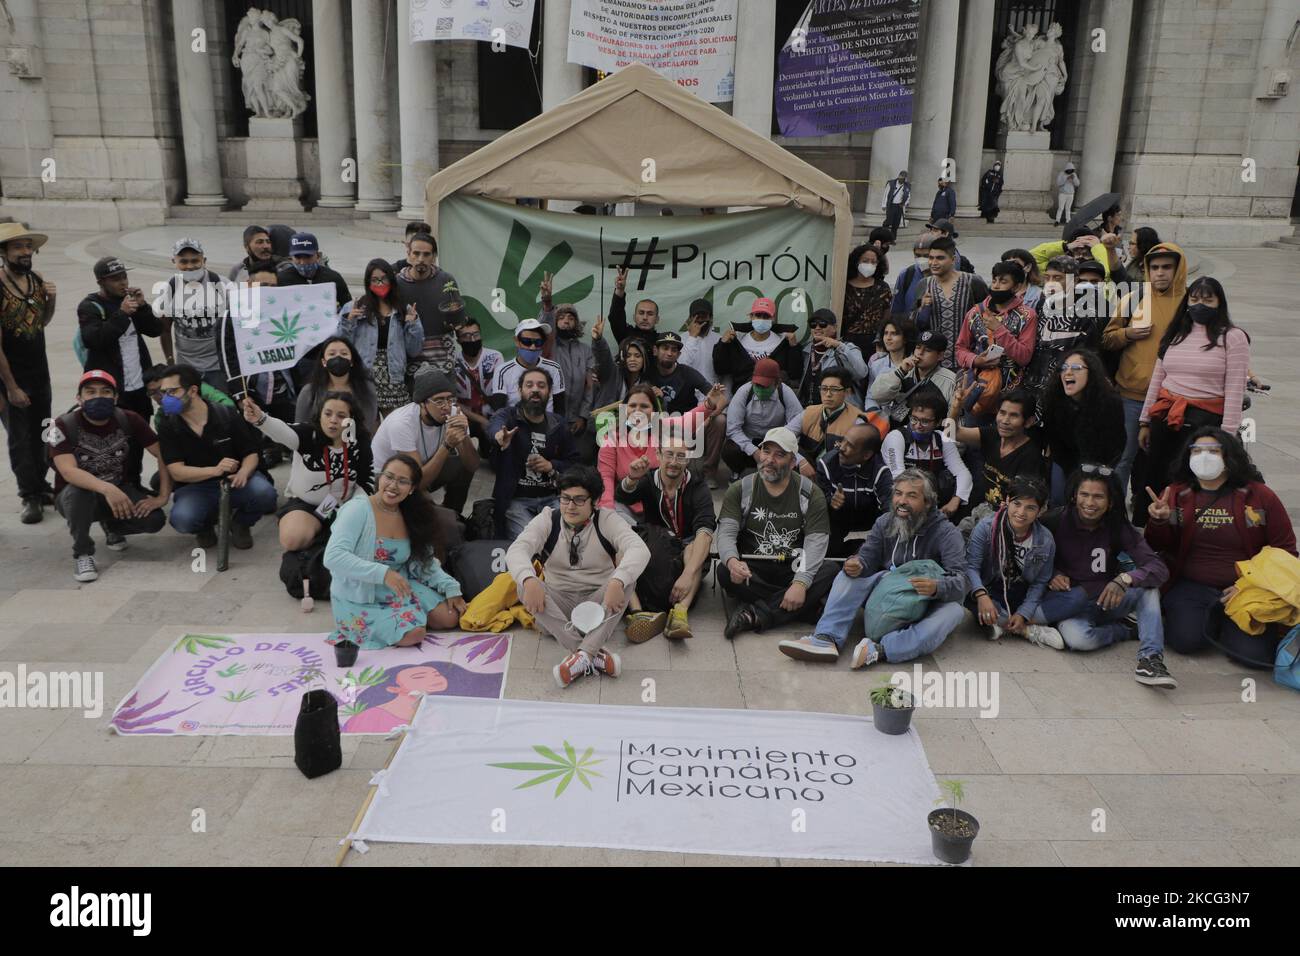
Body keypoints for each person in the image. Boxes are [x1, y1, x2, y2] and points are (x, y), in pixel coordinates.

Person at [778, 469, 966, 667]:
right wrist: (857, 564)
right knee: (847, 575)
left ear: (928, 502)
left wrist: (936, 587)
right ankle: (827, 639)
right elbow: (868, 557)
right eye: (898, 493)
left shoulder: (947, 533)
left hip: (924, 602)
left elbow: (962, 581)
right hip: (887, 593)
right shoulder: (885, 522)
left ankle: (880, 650)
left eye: (912, 496)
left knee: (954, 612)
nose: (902, 501)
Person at [1145, 429, 1298, 668]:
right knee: (1185, 642)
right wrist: (1159, 520)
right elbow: (1157, 546)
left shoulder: (1259, 496)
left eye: (1213, 451)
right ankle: (1209, 619)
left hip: (1246, 589)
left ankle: (1226, 622)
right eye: (1197, 451)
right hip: (1191, 585)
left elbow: (1285, 550)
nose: (1204, 456)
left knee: (1254, 657)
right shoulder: (1176, 493)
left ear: (1229, 457)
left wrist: (1247, 585)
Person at [507, 466, 651, 687]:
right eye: (565, 499)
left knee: (629, 579)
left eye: (579, 500)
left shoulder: (606, 519)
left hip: (598, 604)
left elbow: (640, 549)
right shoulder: (549, 519)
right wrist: (528, 579)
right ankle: (591, 653)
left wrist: (617, 580)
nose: (570, 506)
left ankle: (580, 657)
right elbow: (517, 550)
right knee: (522, 585)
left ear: (594, 501)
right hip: (557, 607)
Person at [1034, 466, 1177, 688]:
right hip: (1071, 604)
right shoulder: (1054, 521)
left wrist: (1125, 579)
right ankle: (1127, 630)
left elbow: (1157, 568)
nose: (1090, 503)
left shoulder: (1117, 526)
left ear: (1110, 502)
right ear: (1074, 495)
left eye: (1098, 496)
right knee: (1078, 639)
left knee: (1148, 588)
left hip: (1108, 598)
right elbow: (1031, 559)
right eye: (1084, 494)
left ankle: (1150, 659)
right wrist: (1052, 573)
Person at [324, 453, 466, 650]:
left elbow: (423, 561)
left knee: (450, 617)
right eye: (388, 477)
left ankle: (406, 615)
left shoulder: (410, 512)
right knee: (413, 634)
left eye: (402, 481)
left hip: (399, 586)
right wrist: (383, 574)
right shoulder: (357, 509)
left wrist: (449, 586)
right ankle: (404, 619)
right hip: (361, 595)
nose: (392, 485)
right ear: (380, 478)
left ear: (412, 489)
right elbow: (333, 557)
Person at [716, 428, 838, 639]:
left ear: (792, 463)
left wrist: (801, 582)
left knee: (830, 570)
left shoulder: (810, 493)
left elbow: (816, 542)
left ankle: (755, 614)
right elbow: (726, 533)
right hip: (754, 568)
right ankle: (802, 608)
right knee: (724, 571)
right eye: (766, 451)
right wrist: (733, 562)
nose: (769, 460)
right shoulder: (740, 489)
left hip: (793, 566)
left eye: (779, 455)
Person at [50, 370, 170, 582]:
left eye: (106, 392)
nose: (98, 397)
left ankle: (112, 524)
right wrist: (106, 488)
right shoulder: (62, 425)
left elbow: (163, 453)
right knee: (80, 493)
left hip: (118, 489)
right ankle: (83, 553)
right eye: (91, 392)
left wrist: (162, 496)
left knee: (154, 520)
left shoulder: (129, 419)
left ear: (115, 398)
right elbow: (68, 471)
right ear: (79, 398)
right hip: (75, 496)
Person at [1138, 276, 1249, 505]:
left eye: (1208, 300)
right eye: (1195, 298)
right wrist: (1145, 422)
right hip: (1166, 417)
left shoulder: (1233, 337)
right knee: (1159, 477)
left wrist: (1226, 436)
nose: (1200, 305)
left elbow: (1235, 388)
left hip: (1206, 422)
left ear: (1220, 303)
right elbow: (1157, 380)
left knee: (1196, 482)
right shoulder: (1175, 334)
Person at [1102, 242, 1187, 519]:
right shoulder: (1134, 297)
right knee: (1123, 459)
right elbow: (1107, 338)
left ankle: (1151, 515)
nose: (1160, 273)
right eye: (1155, 267)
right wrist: (1128, 334)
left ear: (1178, 269)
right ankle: (1113, 513)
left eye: (1166, 267)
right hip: (1130, 395)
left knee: (1163, 462)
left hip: (1172, 401)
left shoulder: (1191, 303)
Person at [156, 363, 278, 549]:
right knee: (183, 519)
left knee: (265, 494)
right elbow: (177, 472)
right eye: (163, 392)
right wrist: (215, 471)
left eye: (172, 391)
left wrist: (244, 472)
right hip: (195, 487)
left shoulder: (226, 414)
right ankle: (203, 527)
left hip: (234, 482)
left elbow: (251, 453)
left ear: (193, 390)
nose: (166, 398)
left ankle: (241, 524)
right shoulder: (167, 424)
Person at [241, 389, 373, 551]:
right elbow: (283, 432)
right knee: (293, 538)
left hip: (346, 504)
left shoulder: (360, 441)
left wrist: (354, 513)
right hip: (306, 504)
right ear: (320, 415)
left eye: (341, 416)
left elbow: (367, 482)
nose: (333, 420)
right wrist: (261, 419)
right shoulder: (308, 433)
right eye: (328, 414)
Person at [614, 437, 718, 640]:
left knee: (697, 545)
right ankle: (636, 613)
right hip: (656, 546)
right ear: (659, 455)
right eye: (669, 454)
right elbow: (622, 497)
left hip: (685, 550)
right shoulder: (648, 479)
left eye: (681, 456)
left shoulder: (697, 486)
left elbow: (705, 532)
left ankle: (680, 613)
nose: (674, 461)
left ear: (688, 460)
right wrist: (632, 478)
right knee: (620, 546)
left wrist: (687, 574)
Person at [78, 256, 163, 486]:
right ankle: (114, 487)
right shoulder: (90, 306)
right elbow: (94, 339)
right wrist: (123, 314)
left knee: (138, 441)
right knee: (114, 443)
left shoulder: (131, 301)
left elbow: (155, 330)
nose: (122, 282)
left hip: (138, 387)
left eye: (124, 276)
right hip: (112, 391)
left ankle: (134, 485)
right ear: (100, 282)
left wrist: (143, 307)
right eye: (115, 279)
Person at [598, 382, 724, 520]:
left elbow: (688, 421)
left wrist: (709, 405)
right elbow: (606, 477)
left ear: (654, 411)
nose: (637, 410)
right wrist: (607, 510)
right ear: (624, 409)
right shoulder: (612, 437)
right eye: (632, 406)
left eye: (644, 406)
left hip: (661, 506)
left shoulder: (663, 427)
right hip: (625, 506)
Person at [0, 224, 57, 524]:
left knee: (43, 431)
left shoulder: (35, 280)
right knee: (20, 438)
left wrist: (52, 300)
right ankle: (28, 495)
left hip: (39, 372)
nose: (24, 252)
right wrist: (10, 387)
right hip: (11, 378)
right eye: (17, 248)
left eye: (27, 247)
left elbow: (41, 323)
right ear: (4, 252)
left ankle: (41, 483)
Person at [486, 366, 579, 537]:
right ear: (520, 390)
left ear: (549, 392)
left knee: (566, 538)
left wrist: (551, 465)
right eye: (529, 385)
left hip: (553, 498)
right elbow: (494, 425)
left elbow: (573, 463)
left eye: (541, 386)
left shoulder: (558, 424)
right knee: (529, 541)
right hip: (515, 501)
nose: (535, 389)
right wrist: (499, 436)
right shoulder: (508, 416)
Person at [371, 367, 477, 517]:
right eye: (439, 401)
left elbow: (472, 465)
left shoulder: (453, 412)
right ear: (422, 404)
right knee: (432, 519)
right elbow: (418, 483)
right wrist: (447, 445)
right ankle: (441, 517)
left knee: (460, 466)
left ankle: (453, 513)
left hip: (419, 472)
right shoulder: (402, 423)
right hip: (387, 480)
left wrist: (463, 436)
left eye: (449, 399)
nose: (446, 406)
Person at [965, 476, 1058, 643]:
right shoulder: (986, 528)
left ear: (1041, 510)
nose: (1021, 513)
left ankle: (1012, 623)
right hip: (991, 587)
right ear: (1007, 501)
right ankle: (1025, 630)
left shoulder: (1045, 540)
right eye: (1017, 504)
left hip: (1021, 591)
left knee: (1069, 601)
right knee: (966, 594)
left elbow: (1040, 581)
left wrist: (1024, 612)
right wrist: (981, 595)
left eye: (1030, 508)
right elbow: (971, 567)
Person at [337, 258, 423, 418]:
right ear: (367, 282)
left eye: (384, 279)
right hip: (364, 376)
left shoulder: (404, 309)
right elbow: (339, 346)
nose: (380, 283)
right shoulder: (354, 307)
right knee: (367, 427)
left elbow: (414, 350)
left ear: (391, 280)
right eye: (375, 279)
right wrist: (348, 322)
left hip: (394, 377)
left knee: (397, 424)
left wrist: (412, 325)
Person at [1037, 349, 1125, 503]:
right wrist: (1072, 475)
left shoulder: (1110, 403)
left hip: (1099, 464)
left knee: (1089, 502)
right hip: (1064, 460)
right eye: (1064, 368)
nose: (1068, 373)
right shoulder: (1053, 400)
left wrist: (1089, 475)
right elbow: (1055, 443)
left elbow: (1115, 447)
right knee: (1058, 499)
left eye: (1076, 368)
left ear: (1092, 373)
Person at [954, 260, 1037, 405]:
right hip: (977, 393)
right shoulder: (975, 312)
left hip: (1011, 397)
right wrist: (976, 360)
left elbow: (1024, 357)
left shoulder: (1028, 316)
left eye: (1003, 282)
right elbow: (960, 348)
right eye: (994, 280)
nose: (996, 286)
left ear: (1016, 287)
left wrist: (999, 329)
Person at [881, 390, 971, 520]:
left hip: (931, 501)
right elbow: (899, 478)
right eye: (914, 419)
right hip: (901, 499)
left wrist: (955, 500)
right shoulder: (896, 437)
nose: (918, 426)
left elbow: (962, 472)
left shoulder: (942, 438)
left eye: (925, 421)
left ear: (938, 422)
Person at [947, 388, 1043, 511]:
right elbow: (950, 433)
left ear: (1029, 422)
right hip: (983, 508)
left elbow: (1023, 506)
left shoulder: (1030, 458)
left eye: (1014, 415)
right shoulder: (993, 435)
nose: (1005, 421)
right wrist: (956, 407)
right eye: (1002, 413)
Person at [157, 237, 231, 395]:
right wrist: (170, 362)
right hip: (186, 366)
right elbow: (164, 329)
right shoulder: (169, 290)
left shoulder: (222, 285)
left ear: (204, 260)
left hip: (218, 366)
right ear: (174, 261)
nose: (190, 266)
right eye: (183, 261)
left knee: (223, 408)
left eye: (195, 261)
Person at [1022, 256, 1103, 400]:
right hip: (1033, 383)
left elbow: (1087, 357)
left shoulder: (1086, 313)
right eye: (1047, 278)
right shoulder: (1043, 304)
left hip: (1064, 388)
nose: (1051, 283)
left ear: (1075, 280)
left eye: (1058, 278)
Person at [814, 421, 893, 557]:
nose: (841, 448)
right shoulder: (826, 464)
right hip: (835, 529)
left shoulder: (880, 472)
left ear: (866, 455)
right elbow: (816, 509)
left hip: (870, 531)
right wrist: (830, 502)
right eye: (843, 441)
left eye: (849, 445)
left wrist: (873, 541)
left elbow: (889, 512)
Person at [723, 357, 808, 478]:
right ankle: (737, 472)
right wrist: (754, 451)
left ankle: (785, 478)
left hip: (776, 442)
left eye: (765, 386)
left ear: (777, 382)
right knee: (730, 450)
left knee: (801, 454)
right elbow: (733, 429)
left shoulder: (785, 393)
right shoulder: (743, 392)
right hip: (749, 441)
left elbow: (797, 422)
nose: (760, 389)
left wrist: (779, 443)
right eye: (757, 385)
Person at [911, 238, 989, 369]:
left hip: (967, 361)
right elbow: (915, 324)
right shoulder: (924, 284)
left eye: (940, 258)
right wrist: (922, 308)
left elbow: (987, 316)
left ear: (953, 260)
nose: (933, 263)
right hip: (934, 364)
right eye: (931, 258)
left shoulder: (972, 282)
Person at [396, 232, 460, 375]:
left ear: (434, 256)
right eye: (416, 253)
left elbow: (456, 319)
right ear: (408, 253)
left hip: (443, 362)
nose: (420, 259)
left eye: (426, 254)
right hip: (408, 365)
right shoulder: (397, 284)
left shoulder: (446, 281)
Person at [869, 329, 957, 428]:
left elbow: (953, 419)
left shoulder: (950, 380)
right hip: (897, 432)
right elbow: (878, 396)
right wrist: (900, 372)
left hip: (932, 436)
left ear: (940, 356)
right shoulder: (903, 370)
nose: (920, 353)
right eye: (918, 348)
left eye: (927, 350)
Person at [294, 336, 379, 436]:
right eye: (332, 354)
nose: (338, 357)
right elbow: (300, 427)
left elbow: (368, 424)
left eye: (344, 353)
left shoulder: (366, 389)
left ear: (352, 361)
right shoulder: (309, 391)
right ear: (324, 362)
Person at [799, 365, 882, 463]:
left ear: (847, 392)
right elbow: (783, 436)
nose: (828, 394)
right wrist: (801, 461)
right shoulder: (808, 412)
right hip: (807, 469)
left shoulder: (858, 419)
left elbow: (859, 455)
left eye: (834, 389)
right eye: (824, 388)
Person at [712, 296, 803, 385]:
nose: (762, 319)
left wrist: (794, 348)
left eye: (766, 316)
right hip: (743, 395)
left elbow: (795, 374)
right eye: (758, 315)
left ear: (773, 318)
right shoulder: (738, 340)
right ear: (751, 316)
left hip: (772, 394)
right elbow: (720, 369)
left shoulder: (782, 342)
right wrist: (722, 344)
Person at [546, 301, 599, 452]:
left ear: (576, 322)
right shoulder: (548, 346)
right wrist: (547, 304)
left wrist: (582, 416)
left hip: (575, 421)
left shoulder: (586, 351)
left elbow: (590, 387)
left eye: (570, 317)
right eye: (561, 317)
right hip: (550, 418)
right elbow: (544, 324)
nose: (566, 320)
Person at [488, 318, 565, 413]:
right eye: (527, 341)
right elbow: (499, 410)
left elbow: (560, 409)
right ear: (516, 341)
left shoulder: (554, 368)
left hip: (548, 425)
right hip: (516, 425)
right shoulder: (502, 371)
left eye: (538, 342)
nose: (533, 347)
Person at [795, 308, 869, 406]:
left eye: (822, 324)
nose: (817, 327)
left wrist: (838, 346)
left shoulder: (847, 348)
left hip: (840, 411)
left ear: (834, 328)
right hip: (811, 410)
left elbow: (862, 373)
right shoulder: (806, 350)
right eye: (813, 324)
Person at [451, 316, 504, 449]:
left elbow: (501, 395)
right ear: (458, 340)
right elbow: (453, 401)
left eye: (475, 334)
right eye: (466, 336)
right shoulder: (452, 362)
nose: (472, 339)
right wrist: (481, 420)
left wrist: (491, 422)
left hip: (492, 417)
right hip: (465, 418)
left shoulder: (495, 357)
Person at [842, 244, 892, 358]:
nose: (869, 264)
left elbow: (886, 316)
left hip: (874, 342)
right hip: (848, 341)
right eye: (865, 261)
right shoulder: (845, 287)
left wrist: (882, 340)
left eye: (873, 262)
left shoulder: (882, 287)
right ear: (856, 262)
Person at [277, 232, 351, 308]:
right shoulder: (282, 279)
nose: (303, 262)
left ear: (318, 256)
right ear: (291, 258)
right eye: (298, 257)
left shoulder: (333, 278)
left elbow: (347, 307)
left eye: (308, 257)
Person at [647, 330, 711, 417]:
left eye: (674, 350)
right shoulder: (647, 372)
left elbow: (719, 398)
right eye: (665, 348)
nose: (669, 353)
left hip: (686, 424)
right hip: (656, 423)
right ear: (655, 350)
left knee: (719, 420)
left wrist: (708, 417)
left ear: (678, 355)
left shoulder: (687, 373)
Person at [864, 317, 917, 412]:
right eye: (885, 333)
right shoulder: (876, 365)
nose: (888, 338)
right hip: (882, 418)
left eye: (894, 334)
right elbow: (871, 397)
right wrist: (873, 414)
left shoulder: (915, 364)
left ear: (905, 338)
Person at [606, 266, 660, 355]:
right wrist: (620, 290)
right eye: (641, 313)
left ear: (657, 319)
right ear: (634, 317)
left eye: (650, 314)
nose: (645, 318)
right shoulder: (625, 335)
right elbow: (615, 317)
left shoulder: (661, 341)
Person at [891, 239, 933, 317]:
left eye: (926, 256)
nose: (922, 259)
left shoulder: (945, 276)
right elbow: (896, 308)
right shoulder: (906, 275)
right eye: (918, 255)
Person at [881, 170, 910, 236]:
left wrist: (904, 204)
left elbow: (908, 196)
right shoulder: (891, 183)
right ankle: (883, 235)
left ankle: (893, 238)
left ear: (905, 178)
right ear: (898, 176)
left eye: (903, 178)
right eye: (900, 177)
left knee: (896, 223)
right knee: (888, 221)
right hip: (891, 205)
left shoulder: (907, 186)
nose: (901, 179)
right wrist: (884, 204)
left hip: (899, 206)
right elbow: (886, 194)